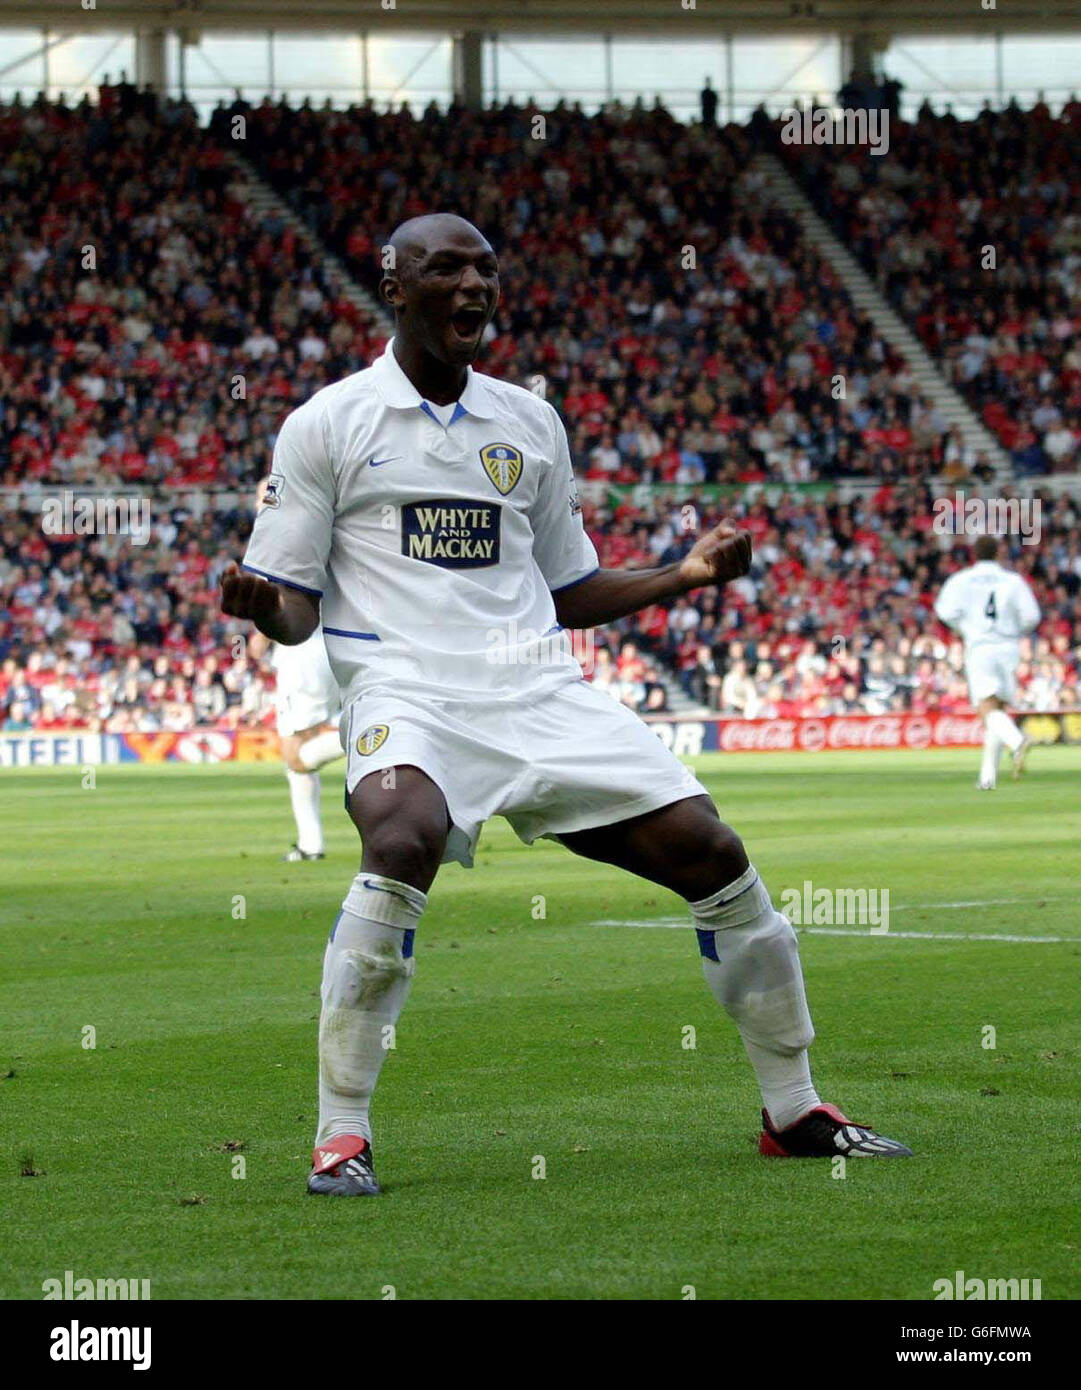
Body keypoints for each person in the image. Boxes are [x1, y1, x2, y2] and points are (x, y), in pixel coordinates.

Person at [222, 213, 911, 1197]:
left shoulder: (528, 423)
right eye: (446, 268)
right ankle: (342, 1134)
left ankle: (793, 1107)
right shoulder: (327, 423)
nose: (473, 285)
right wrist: (265, 606)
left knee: (711, 853)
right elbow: (293, 603)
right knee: (401, 834)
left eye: (486, 268)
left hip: (539, 689)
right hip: (407, 691)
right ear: (395, 285)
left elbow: (566, 587)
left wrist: (684, 572)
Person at [247, 478, 343, 860]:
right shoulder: (317, 529)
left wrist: (256, 644)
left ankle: (361, 733)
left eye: (261, 496)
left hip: (301, 651)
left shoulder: (273, 537)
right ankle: (310, 844)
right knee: (299, 759)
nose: (257, 502)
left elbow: (272, 602)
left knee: (295, 756)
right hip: (336, 643)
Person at [935, 534, 1040, 789]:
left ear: (975, 554)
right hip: (1007, 648)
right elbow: (1032, 616)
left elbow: (944, 611)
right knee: (997, 709)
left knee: (986, 709)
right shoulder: (1012, 581)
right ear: (998, 554)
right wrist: (1013, 630)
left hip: (980, 647)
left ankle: (1017, 741)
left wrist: (965, 628)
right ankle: (987, 778)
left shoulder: (961, 580)